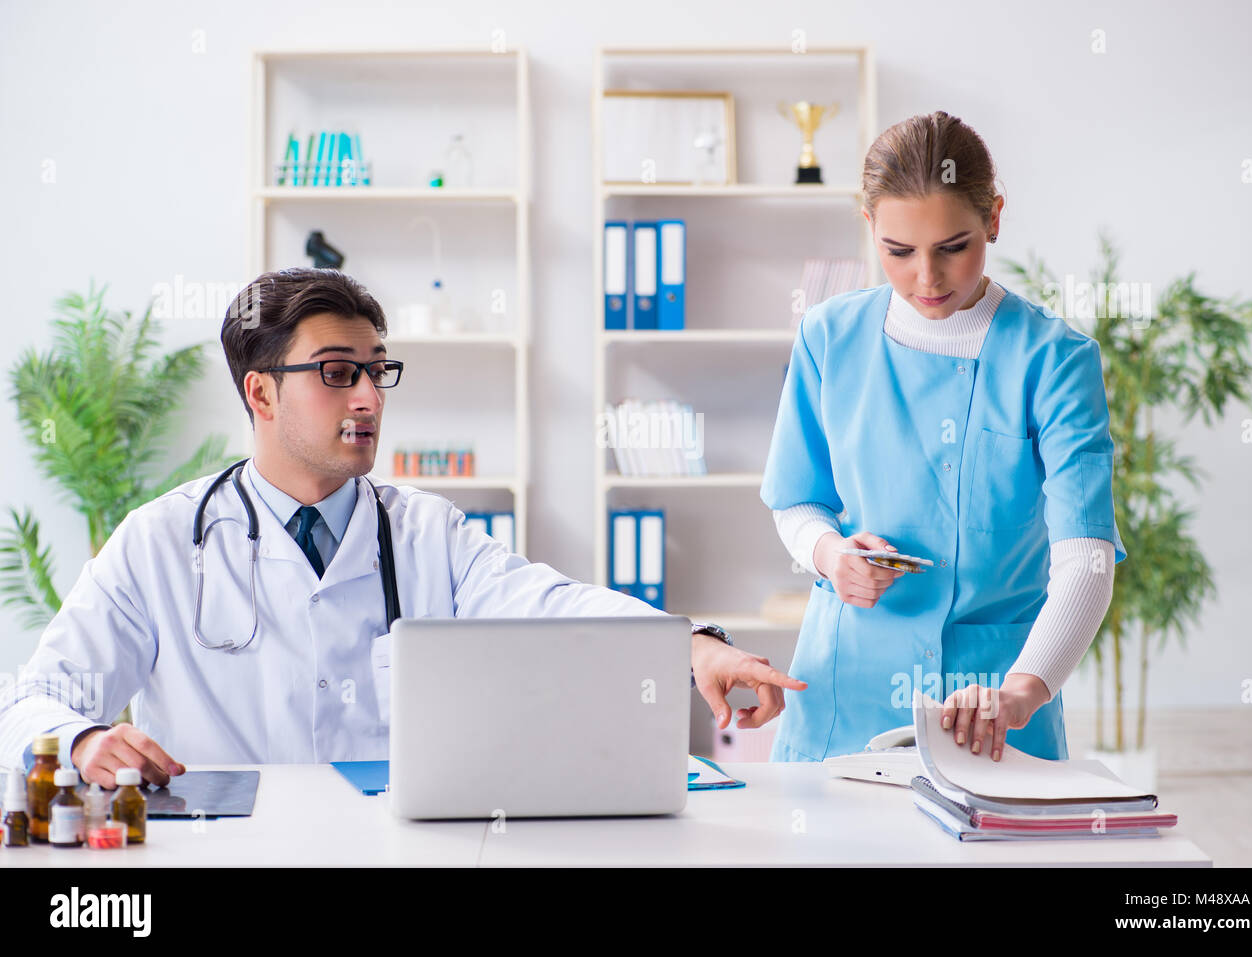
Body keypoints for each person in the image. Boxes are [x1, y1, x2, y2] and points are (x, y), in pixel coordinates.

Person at [0, 268, 804, 787]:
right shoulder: (160, 541)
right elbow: (37, 697)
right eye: (337, 374)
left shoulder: (426, 532)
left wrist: (687, 642)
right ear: (261, 395)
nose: (369, 398)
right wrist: (78, 741)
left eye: (376, 371)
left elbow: (548, 603)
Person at [761, 110, 1125, 764]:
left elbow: (1086, 560)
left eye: (953, 246)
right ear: (868, 225)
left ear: (993, 218)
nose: (926, 278)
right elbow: (797, 502)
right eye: (898, 251)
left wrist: (1022, 689)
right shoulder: (828, 337)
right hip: (844, 693)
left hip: (992, 706)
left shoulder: (1054, 359)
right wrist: (829, 554)